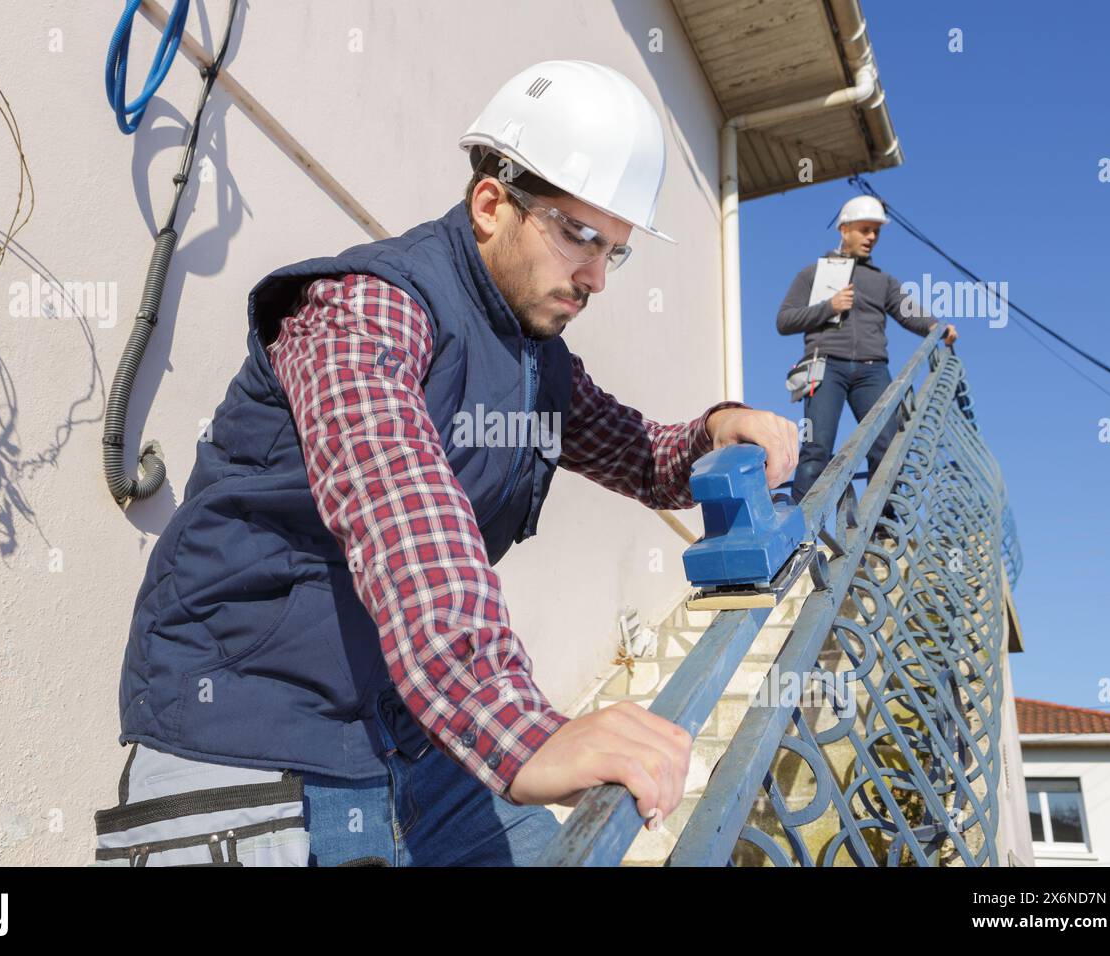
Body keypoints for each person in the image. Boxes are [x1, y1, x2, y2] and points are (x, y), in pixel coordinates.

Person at [93, 59, 799, 867]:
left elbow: (642, 452)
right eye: (579, 236)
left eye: (616, 251)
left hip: (412, 745)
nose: (597, 277)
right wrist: (524, 734)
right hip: (250, 742)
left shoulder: (536, 358)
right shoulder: (367, 308)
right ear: (492, 204)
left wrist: (717, 429)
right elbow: (400, 506)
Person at [776, 195, 957, 515]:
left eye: (876, 231)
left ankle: (881, 532)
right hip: (825, 366)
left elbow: (907, 312)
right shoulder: (814, 273)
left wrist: (936, 326)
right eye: (865, 230)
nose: (872, 237)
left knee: (888, 447)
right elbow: (784, 320)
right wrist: (827, 308)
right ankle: (798, 536)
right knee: (817, 449)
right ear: (844, 230)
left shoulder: (882, 281)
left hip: (872, 371)